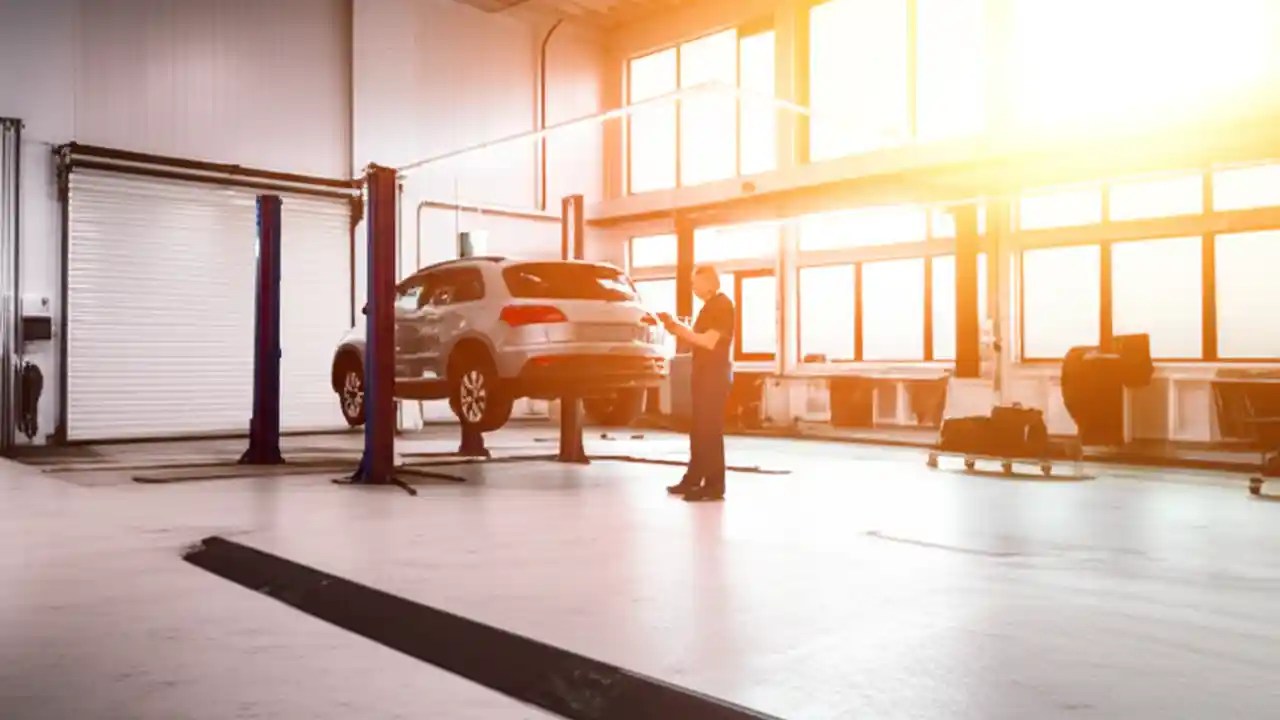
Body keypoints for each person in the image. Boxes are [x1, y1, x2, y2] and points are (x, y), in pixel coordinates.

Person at [658, 265, 735, 502]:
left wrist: (677, 328)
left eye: (696, 283)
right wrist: (677, 329)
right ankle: (693, 478)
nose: (692, 287)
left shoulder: (722, 306)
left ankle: (714, 485)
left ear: (709, 283)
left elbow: (709, 341)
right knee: (699, 429)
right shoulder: (708, 307)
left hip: (714, 376)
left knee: (709, 429)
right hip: (703, 374)